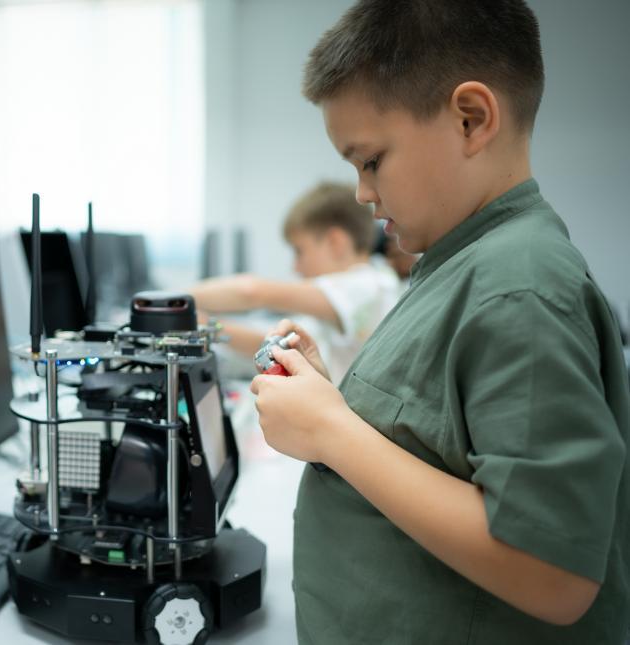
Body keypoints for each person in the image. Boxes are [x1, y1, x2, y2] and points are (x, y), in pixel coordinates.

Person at [249, 1, 630, 644]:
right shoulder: (460, 259)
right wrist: (332, 398)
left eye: (370, 161)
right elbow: (438, 438)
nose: (363, 194)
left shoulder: (519, 283)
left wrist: (333, 433)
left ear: (471, 119)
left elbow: (554, 573)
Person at [190, 182, 401, 384]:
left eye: (299, 251)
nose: (296, 267)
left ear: (335, 242)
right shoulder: (345, 301)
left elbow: (252, 291)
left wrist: (173, 300)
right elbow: (267, 343)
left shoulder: (369, 286)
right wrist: (204, 324)